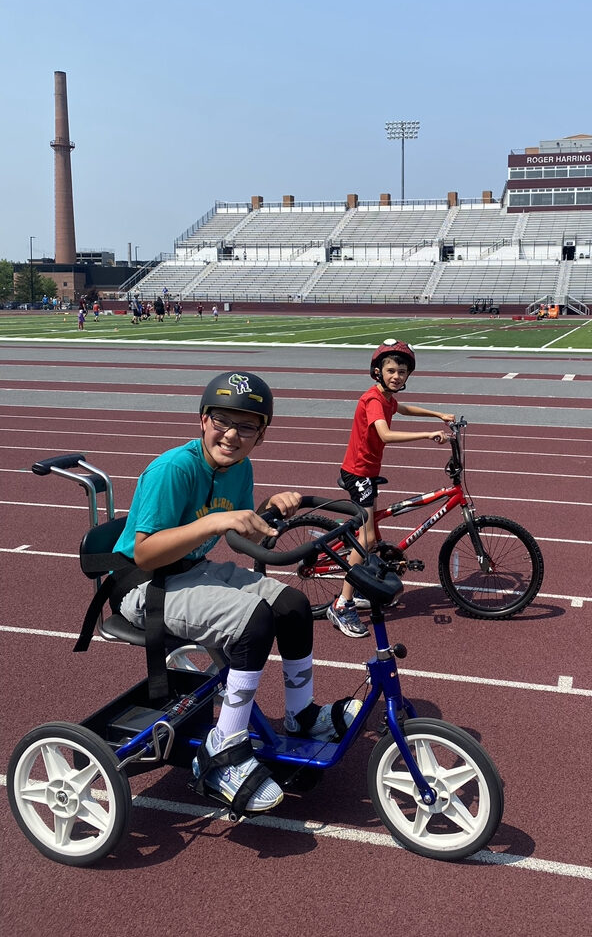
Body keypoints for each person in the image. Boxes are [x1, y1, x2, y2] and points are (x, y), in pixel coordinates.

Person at [113, 372, 360, 813]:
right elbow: (146, 553)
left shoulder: (239, 466)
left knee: (293, 604)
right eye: (222, 421)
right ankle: (222, 752)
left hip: (194, 570)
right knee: (253, 621)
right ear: (202, 420)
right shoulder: (173, 469)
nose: (231, 434)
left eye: (246, 426)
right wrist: (215, 523)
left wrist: (268, 510)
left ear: (261, 435)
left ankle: (302, 717)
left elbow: (235, 529)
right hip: (145, 585)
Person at [328, 340, 454, 637]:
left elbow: (403, 408)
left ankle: (358, 585)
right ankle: (342, 604)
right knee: (367, 538)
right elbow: (383, 434)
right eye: (391, 370)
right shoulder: (373, 399)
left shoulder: (386, 398)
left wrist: (438, 415)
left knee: (371, 534)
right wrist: (428, 434)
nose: (397, 375)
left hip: (368, 472)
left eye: (402, 371)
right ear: (378, 372)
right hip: (358, 472)